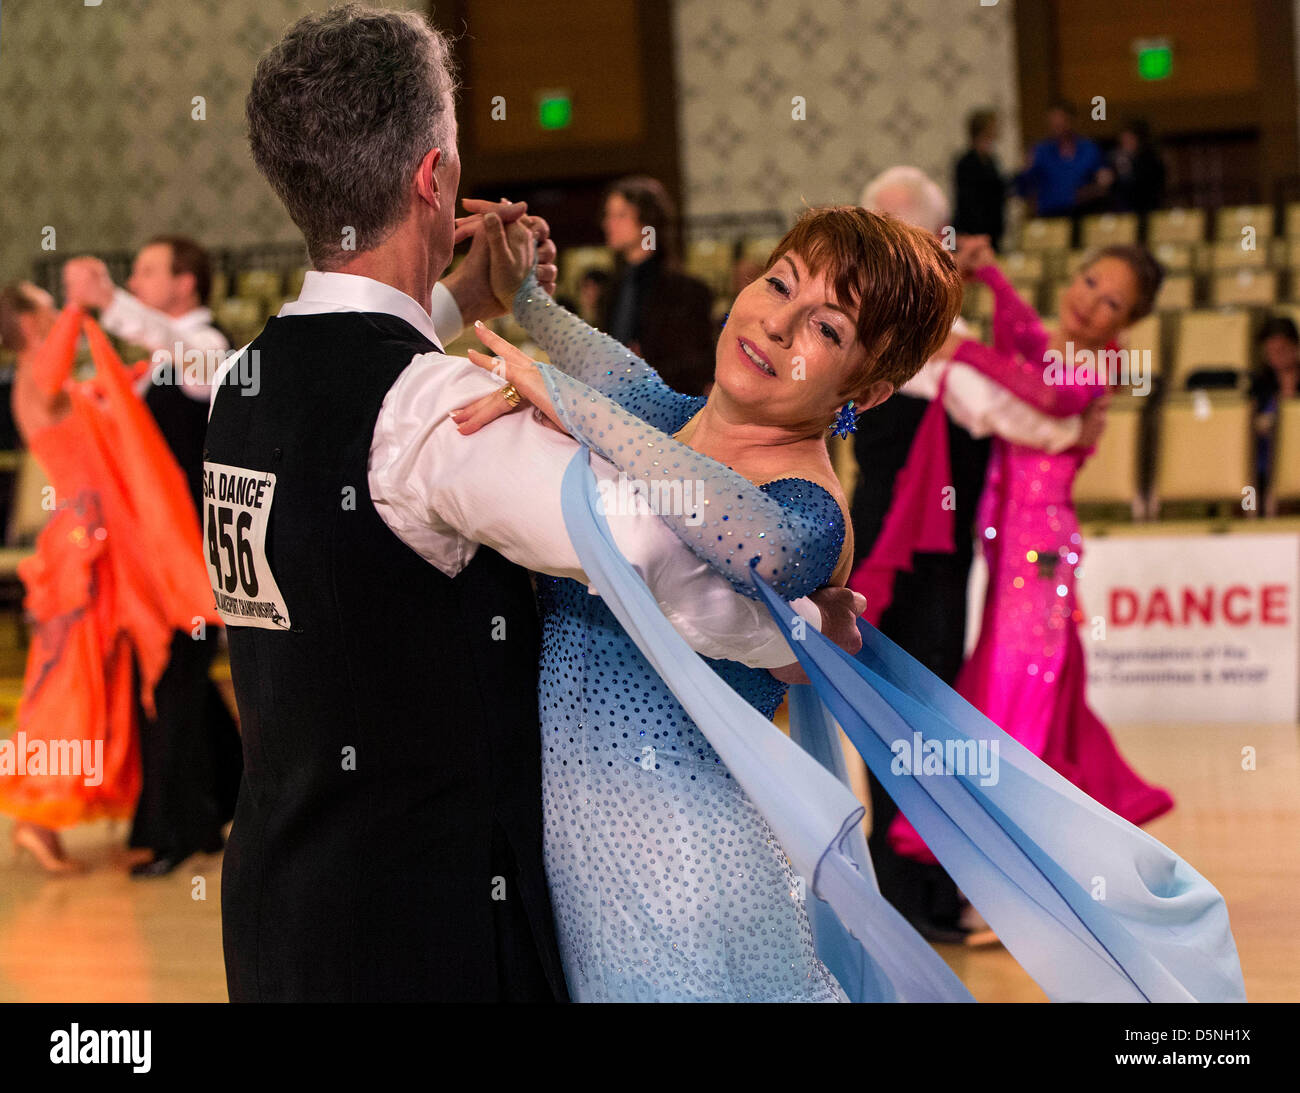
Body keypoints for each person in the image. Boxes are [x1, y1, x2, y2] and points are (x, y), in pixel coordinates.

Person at [210, 4, 865, 1003]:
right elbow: (650, 553)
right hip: (428, 932)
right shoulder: (439, 408)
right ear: (435, 178)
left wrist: (464, 302)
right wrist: (804, 630)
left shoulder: (244, 379)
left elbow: (362, 390)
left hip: (276, 906)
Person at [451, 204, 964, 1000]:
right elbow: (589, 358)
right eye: (777, 282)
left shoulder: (810, 512)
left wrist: (560, 401)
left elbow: (741, 533)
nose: (776, 324)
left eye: (826, 330)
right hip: (585, 856)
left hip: (683, 872)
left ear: (869, 387)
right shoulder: (666, 419)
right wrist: (519, 290)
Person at [850, 166, 1105, 942]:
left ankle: (917, 886)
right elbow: (1042, 414)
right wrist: (1078, 420)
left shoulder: (931, 342)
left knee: (909, 716)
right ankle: (909, 891)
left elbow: (1030, 406)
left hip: (924, 558)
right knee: (907, 717)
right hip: (903, 559)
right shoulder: (922, 343)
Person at [887, 240, 1174, 864]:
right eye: (1091, 280)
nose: (1091, 303)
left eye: (1112, 302)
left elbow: (1044, 393)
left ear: (1127, 322)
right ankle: (1039, 844)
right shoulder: (1059, 349)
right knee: (1032, 678)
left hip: (1038, 554)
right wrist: (990, 274)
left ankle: (1017, 847)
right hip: (1012, 548)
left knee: (1018, 683)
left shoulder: (1097, 369)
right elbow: (1026, 344)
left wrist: (965, 349)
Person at [0, 284, 217, 873]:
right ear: (27, 322)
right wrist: (81, 303)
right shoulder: (33, 381)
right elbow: (59, 374)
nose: (54, 311)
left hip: (105, 546)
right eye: (43, 304)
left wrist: (152, 361)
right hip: (82, 552)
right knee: (71, 681)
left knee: (99, 680)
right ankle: (38, 818)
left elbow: (107, 387)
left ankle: (51, 818)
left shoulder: (59, 385)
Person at [63, 238, 243, 877]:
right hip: (152, 552)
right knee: (179, 676)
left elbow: (181, 352)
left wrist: (108, 300)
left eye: (146, 269)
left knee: (172, 675)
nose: (135, 277)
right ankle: (226, 796)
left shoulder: (209, 349)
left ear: (186, 283)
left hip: (189, 552)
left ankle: (176, 828)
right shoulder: (161, 356)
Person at [600, 175, 716, 395]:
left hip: (669, 403)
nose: (608, 223)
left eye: (621, 215)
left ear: (647, 222)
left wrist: (643, 366)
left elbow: (699, 364)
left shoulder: (687, 291)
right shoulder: (612, 288)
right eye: (609, 215)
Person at [1015, 101, 1104, 218]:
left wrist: (1092, 191)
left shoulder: (1089, 148)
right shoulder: (1040, 151)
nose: (1057, 125)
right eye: (1053, 121)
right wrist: (1026, 170)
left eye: (1061, 120)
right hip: (1050, 216)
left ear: (1071, 121)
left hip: (1084, 213)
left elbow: (1102, 181)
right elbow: (1023, 188)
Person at [1251, 316, 1300, 507]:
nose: (1276, 356)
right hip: (1267, 460)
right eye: (1271, 352)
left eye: (1282, 350)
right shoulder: (1259, 384)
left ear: (1295, 346)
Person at [953, 109, 1007, 251]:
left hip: (992, 228)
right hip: (972, 230)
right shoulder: (965, 162)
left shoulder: (992, 161)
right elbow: (967, 200)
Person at [1105, 119, 1165, 215]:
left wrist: (1127, 170)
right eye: (1124, 140)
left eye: (1130, 139)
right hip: (1121, 213)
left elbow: (1148, 190)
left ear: (1140, 140)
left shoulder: (1151, 161)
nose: (1126, 143)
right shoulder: (1114, 158)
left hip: (1146, 211)